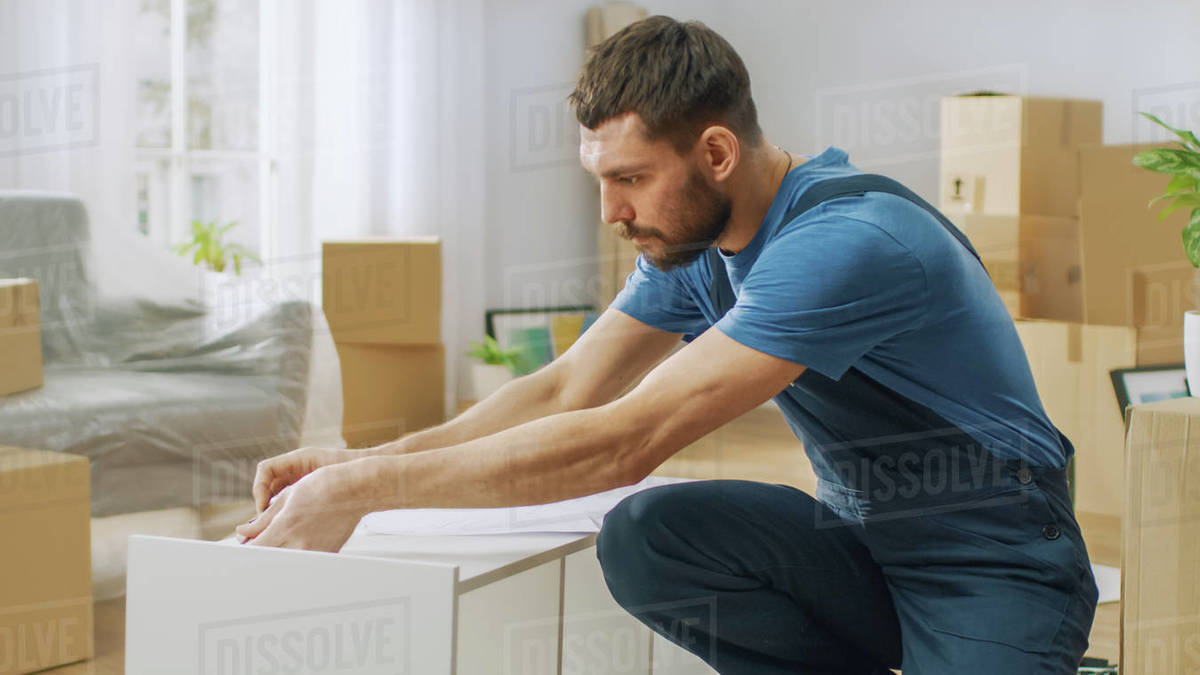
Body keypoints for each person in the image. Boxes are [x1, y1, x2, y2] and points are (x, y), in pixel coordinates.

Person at [237, 15, 1098, 674]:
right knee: (651, 534)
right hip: (868, 545)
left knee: (634, 489)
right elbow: (565, 388)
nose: (612, 213)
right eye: (601, 180)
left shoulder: (847, 243)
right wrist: (351, 469)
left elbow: (625, 440)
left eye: (629, 180)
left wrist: (368, 491)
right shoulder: (698, 250)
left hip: (995, 559)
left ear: (716, 152)